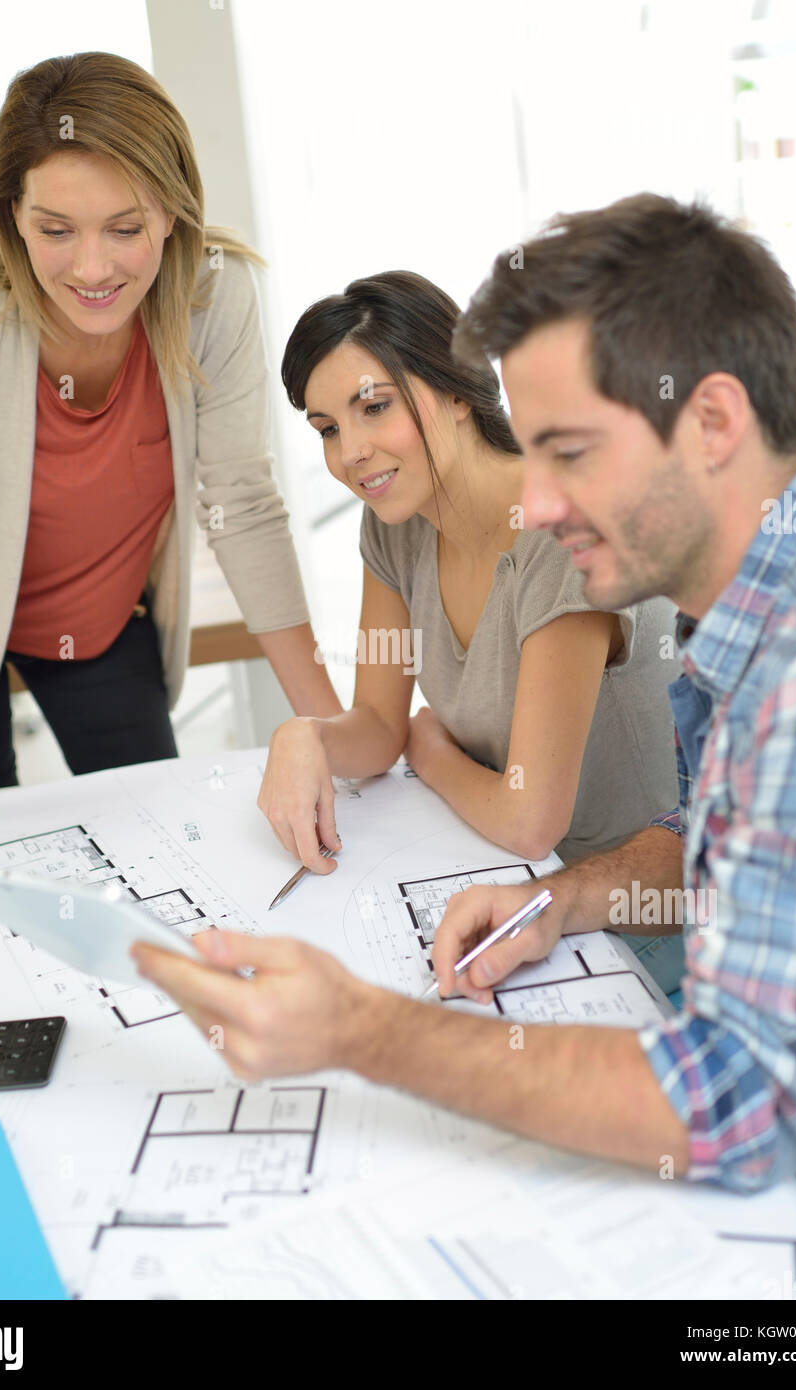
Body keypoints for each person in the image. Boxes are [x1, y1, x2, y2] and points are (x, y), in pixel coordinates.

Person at [131, 194, 796, 1263]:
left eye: (571, 451)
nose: (543, 498)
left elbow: (736, 1106)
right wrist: (561, 898)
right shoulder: (770, 593)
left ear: (712, 422)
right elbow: (713, 832)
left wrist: (361, 1030)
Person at [0, 52, 339, 844]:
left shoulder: (215, 298)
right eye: (56, 230)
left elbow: (242, 505)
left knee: (151, 835)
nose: (92, 270)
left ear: (172, 211)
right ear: (11, 215)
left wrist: (331, 727)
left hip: (98, 620)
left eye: (125, 229)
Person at [257, 271, 682, 984]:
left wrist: (429, 750)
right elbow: (376, 726)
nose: (350, 452)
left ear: (454, 389)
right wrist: (306, 735)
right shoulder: (396, 525)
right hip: (517, 890)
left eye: (373, 408)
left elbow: (526, 819)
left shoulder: (561, 530)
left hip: (627, 918)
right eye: (326, 428)